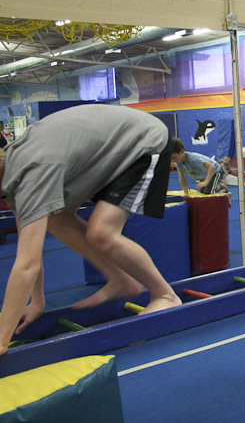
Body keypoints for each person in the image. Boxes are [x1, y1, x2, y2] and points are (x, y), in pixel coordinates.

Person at [0, 105, 182, 357]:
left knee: (102, 232)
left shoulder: (32, 173)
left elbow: (26, 265)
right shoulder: (11, 173)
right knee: (56, 218)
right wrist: (37, 302)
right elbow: (28, 248)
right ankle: (121, 280)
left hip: (142, 140)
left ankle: (165, 295)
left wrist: (2, 338)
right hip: (106, 147)